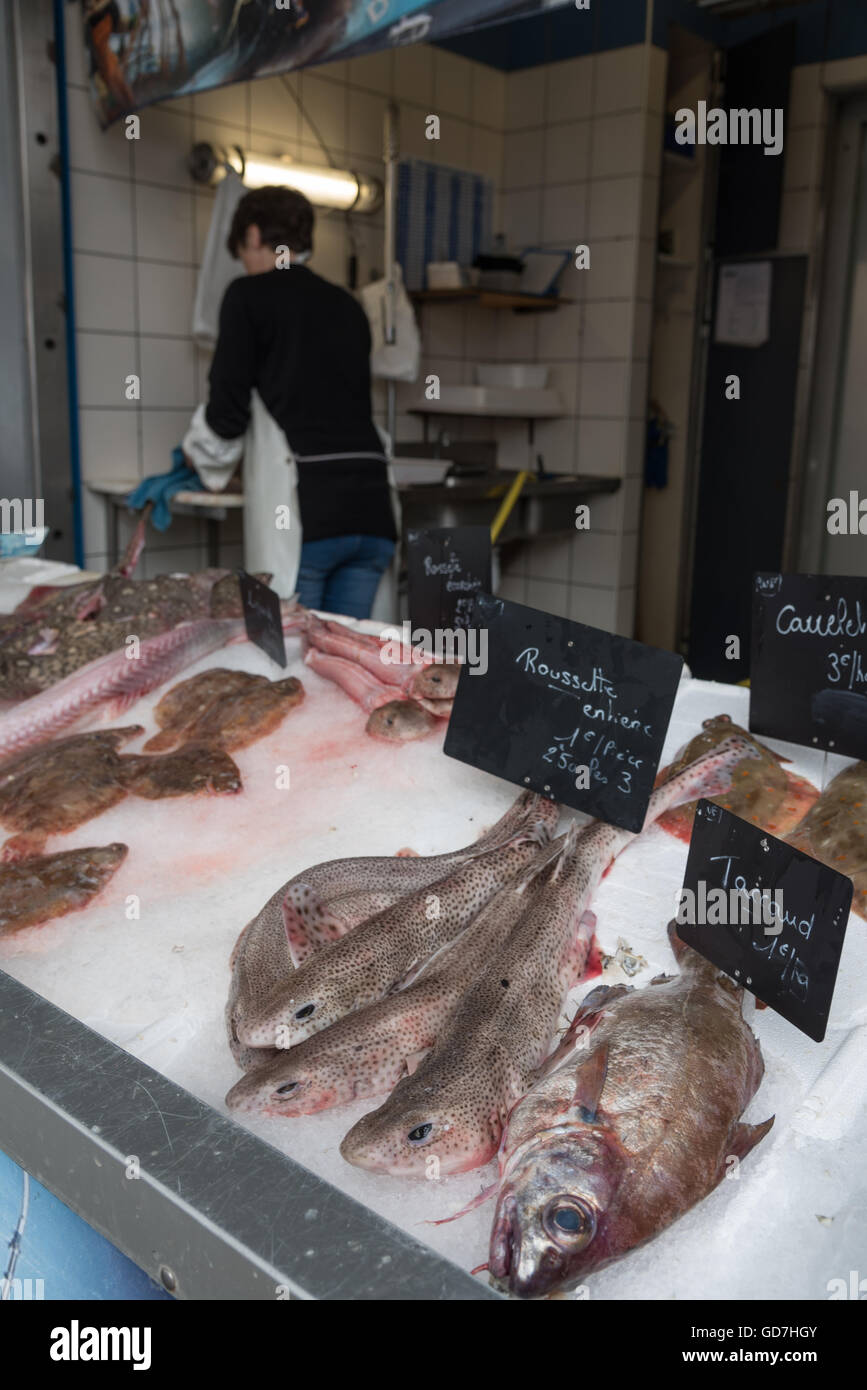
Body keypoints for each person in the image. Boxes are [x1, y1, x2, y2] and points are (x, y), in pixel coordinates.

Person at [183, 186, 397, 617]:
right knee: (351, 658)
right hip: (372, 512)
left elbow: (227, 412)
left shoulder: (248, 296)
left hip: (305, 518)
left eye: (243, 248)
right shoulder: (347, 305)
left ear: (255, 234)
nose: (244, 259)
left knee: (296, 665)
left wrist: (203, 460)